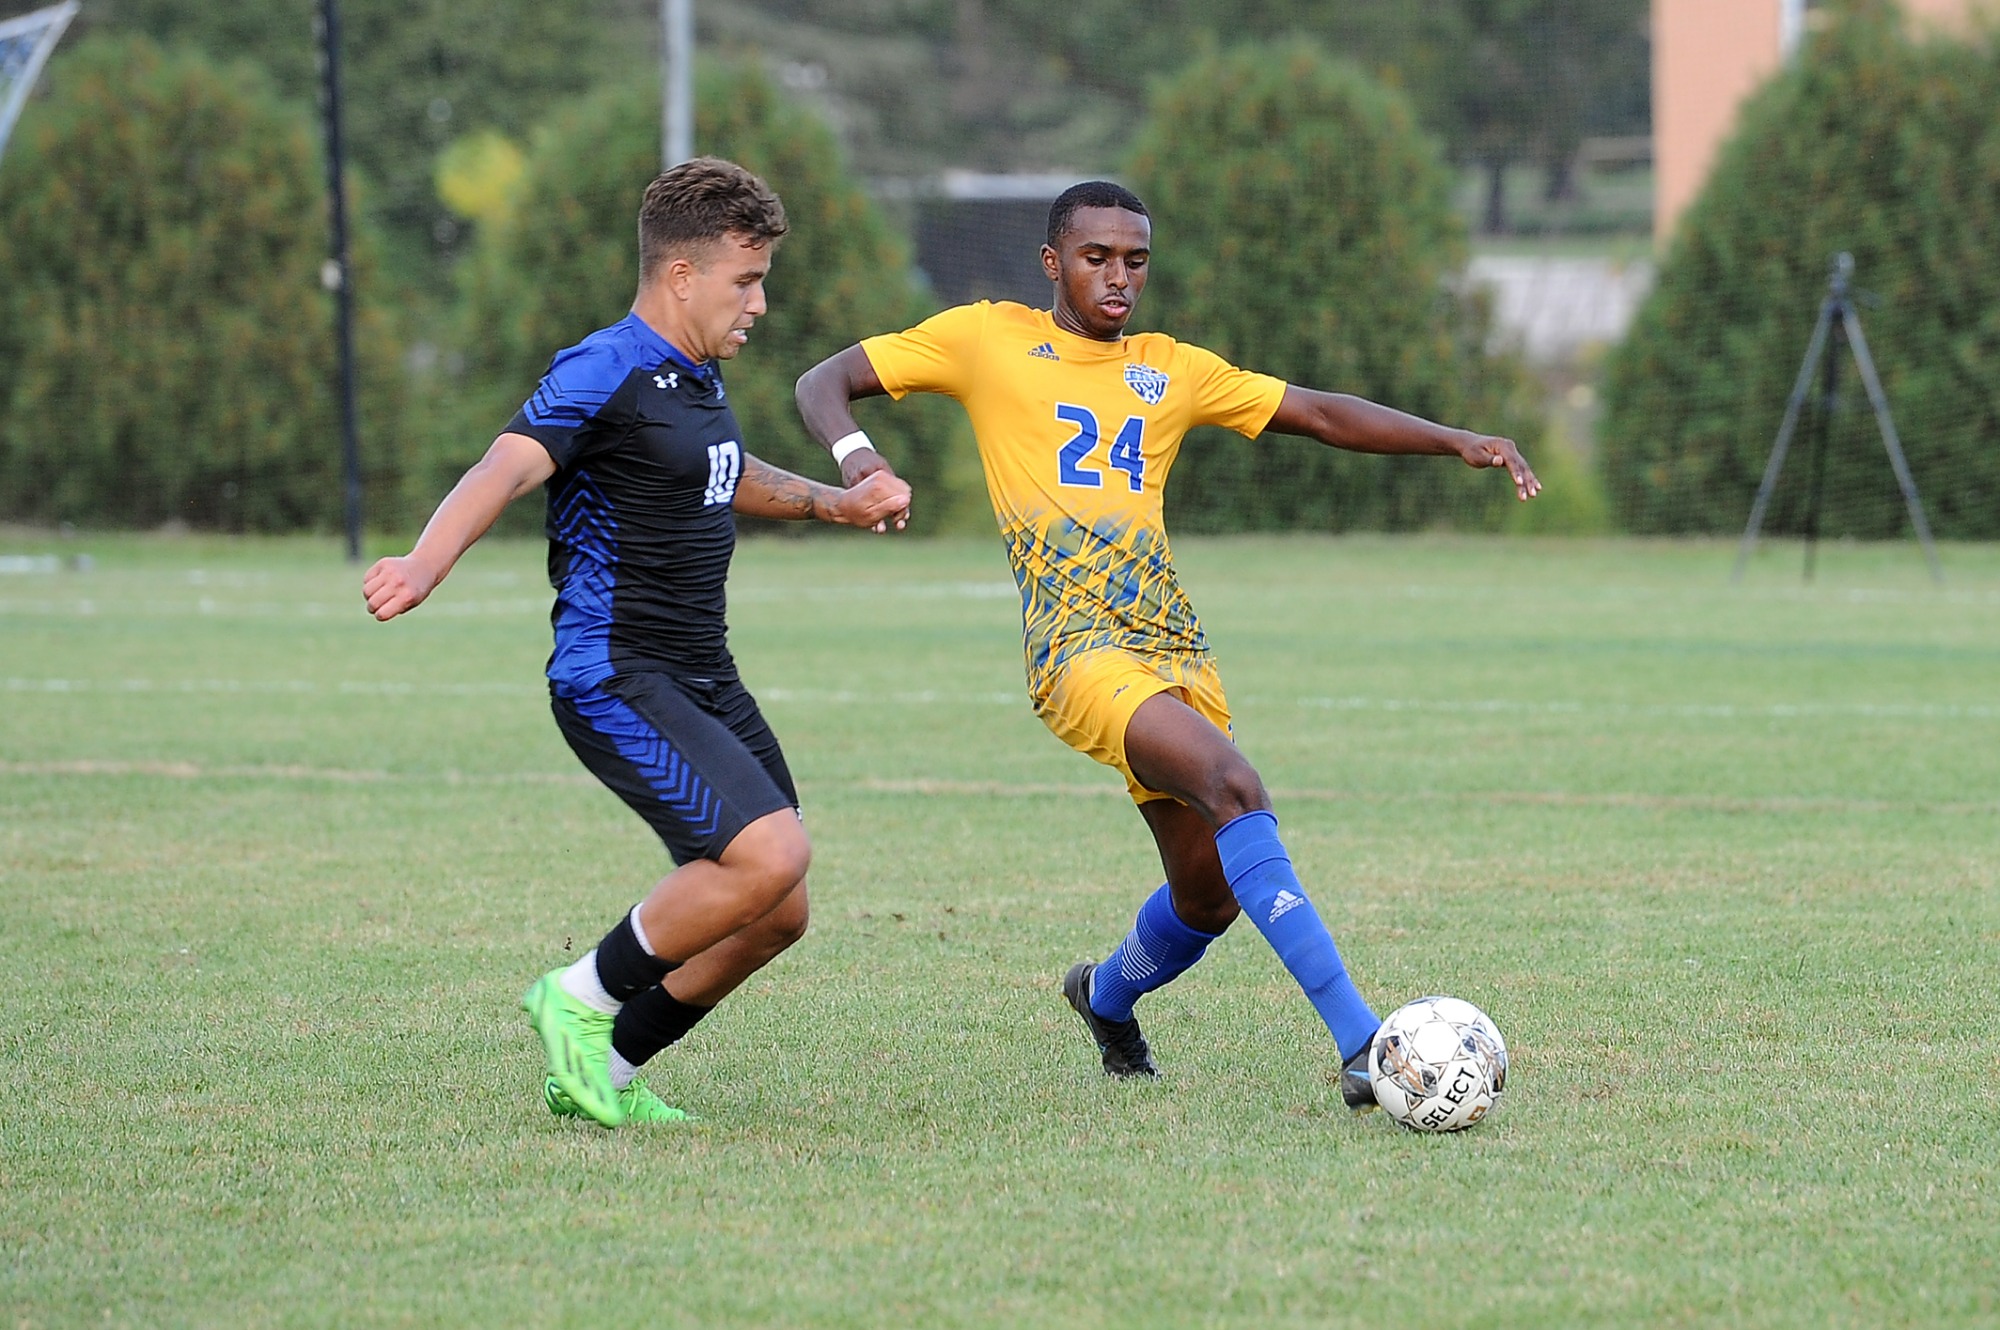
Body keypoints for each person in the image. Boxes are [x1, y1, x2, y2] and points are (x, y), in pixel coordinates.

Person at [795, 181, 1536, 1110]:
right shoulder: (986, 337)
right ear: (1051, 262)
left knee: (1207, 894)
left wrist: (1454, 440)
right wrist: (857, 457)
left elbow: (1314, 412)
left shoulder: (1169, 368)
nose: (1117, 277)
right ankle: (1365, 1046)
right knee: (1237, 788)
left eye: (1134, 260)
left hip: (1173, 647)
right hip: (1077, 651)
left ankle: (1104, 997)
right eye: (1096, 257)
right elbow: (819, 382)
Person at [363, 157, 911, 1128]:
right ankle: (577, 993)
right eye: (745, 280)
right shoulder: (604, 364)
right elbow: (505, 463)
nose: (760, 302)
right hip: (614, 672)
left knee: (777, 905)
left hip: (703, 673)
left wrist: (835, 502)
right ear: (680, 276)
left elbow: (720, 472)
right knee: (770, 851)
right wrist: (423, 562)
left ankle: (605, 1071)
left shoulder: (693, 379)